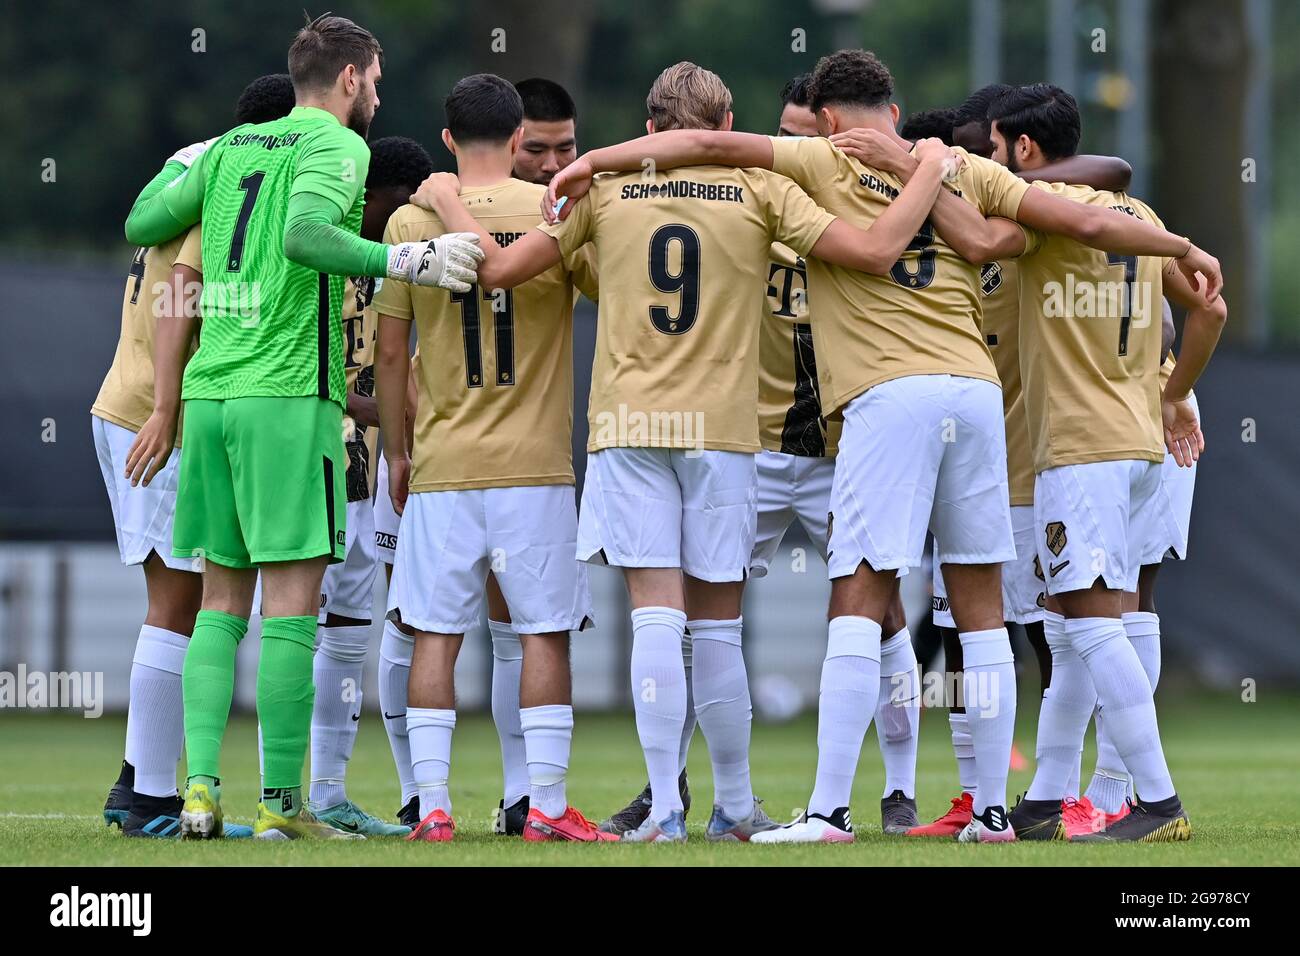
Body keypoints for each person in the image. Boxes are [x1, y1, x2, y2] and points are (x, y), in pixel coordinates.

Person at [545, 49, 1221, 843]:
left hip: (884, 397)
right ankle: (995, 809)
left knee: (860, 599)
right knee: (980, 611)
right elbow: (1076, 212)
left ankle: (828, 809)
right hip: (973, 396)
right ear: (893, 113)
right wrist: (1177, 246)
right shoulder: (966, 167)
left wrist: (594, 159)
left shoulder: (817, 160)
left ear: (830, 119)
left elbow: (712, 148)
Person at [419, 60, 963, 843]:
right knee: (715, 629)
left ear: (648, 130)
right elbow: (878, 250)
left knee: (655, 621)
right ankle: (735, 805)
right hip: (725, 431)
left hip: (631, 428)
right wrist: (931, 167)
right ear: (725, 123)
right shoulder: (762, 189)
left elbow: (499, 268)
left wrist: (443, 196)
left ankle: (666, 811)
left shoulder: (602, 192)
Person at [121, 13, 483, 839]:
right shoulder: (340, 147)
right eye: (376, 81)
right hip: (287, 399)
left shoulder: (228, 147)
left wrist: (195, 164)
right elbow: (306, 236)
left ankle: (201, 794)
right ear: (350, 78)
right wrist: (404, 260)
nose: (378, 98)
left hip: (209, 397)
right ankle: (283, 807)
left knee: (219, 603)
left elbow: (145, 222)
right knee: (292, 605)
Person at [977, 84, 1225, 842]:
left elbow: (985, 242)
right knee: (1084, 619)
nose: (990, 165)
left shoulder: (1036, 220)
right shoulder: (1141, 217)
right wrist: (1176, 392)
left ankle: (1155, 801)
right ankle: (1048, 798)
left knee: (1087, 624)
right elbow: (1209, 308)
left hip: (1079, 448)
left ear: (1023, 150)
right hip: (1141, 444)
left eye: (992, 149)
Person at [375, 73, 610, 843]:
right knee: (541, 633)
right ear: (520, 141)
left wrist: (400, 454)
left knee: (434, 634)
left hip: (443, 464)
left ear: (447, 140)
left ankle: (434, 807)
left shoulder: (410, 221)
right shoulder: (552, 211)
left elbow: (388, 352)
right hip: (535, 467)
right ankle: (544, 806)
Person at [96, 73, 294, 840]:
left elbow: (141, 226)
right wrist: (168, 410)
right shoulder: (245, 176)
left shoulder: (196, 163)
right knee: (179, 603)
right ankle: (145, 795)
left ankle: (139, 779)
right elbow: (182, 295)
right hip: (156, 412)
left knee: (183, 599)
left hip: (140, 405)